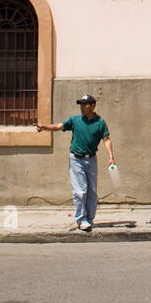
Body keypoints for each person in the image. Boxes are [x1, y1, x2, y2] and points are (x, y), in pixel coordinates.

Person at [36, 94, 115, 232]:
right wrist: (44, 127)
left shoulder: (100, 122)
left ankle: (89, 219)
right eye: (81, 104)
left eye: (85, 104)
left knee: (92, 191)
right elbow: (60, 126)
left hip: (91, 159)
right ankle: (81, 219)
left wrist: (111, 157)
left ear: (93, 105)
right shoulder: (75, 120)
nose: (82, 107)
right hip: (76, 159)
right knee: (80, 191)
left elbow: (106, 139)